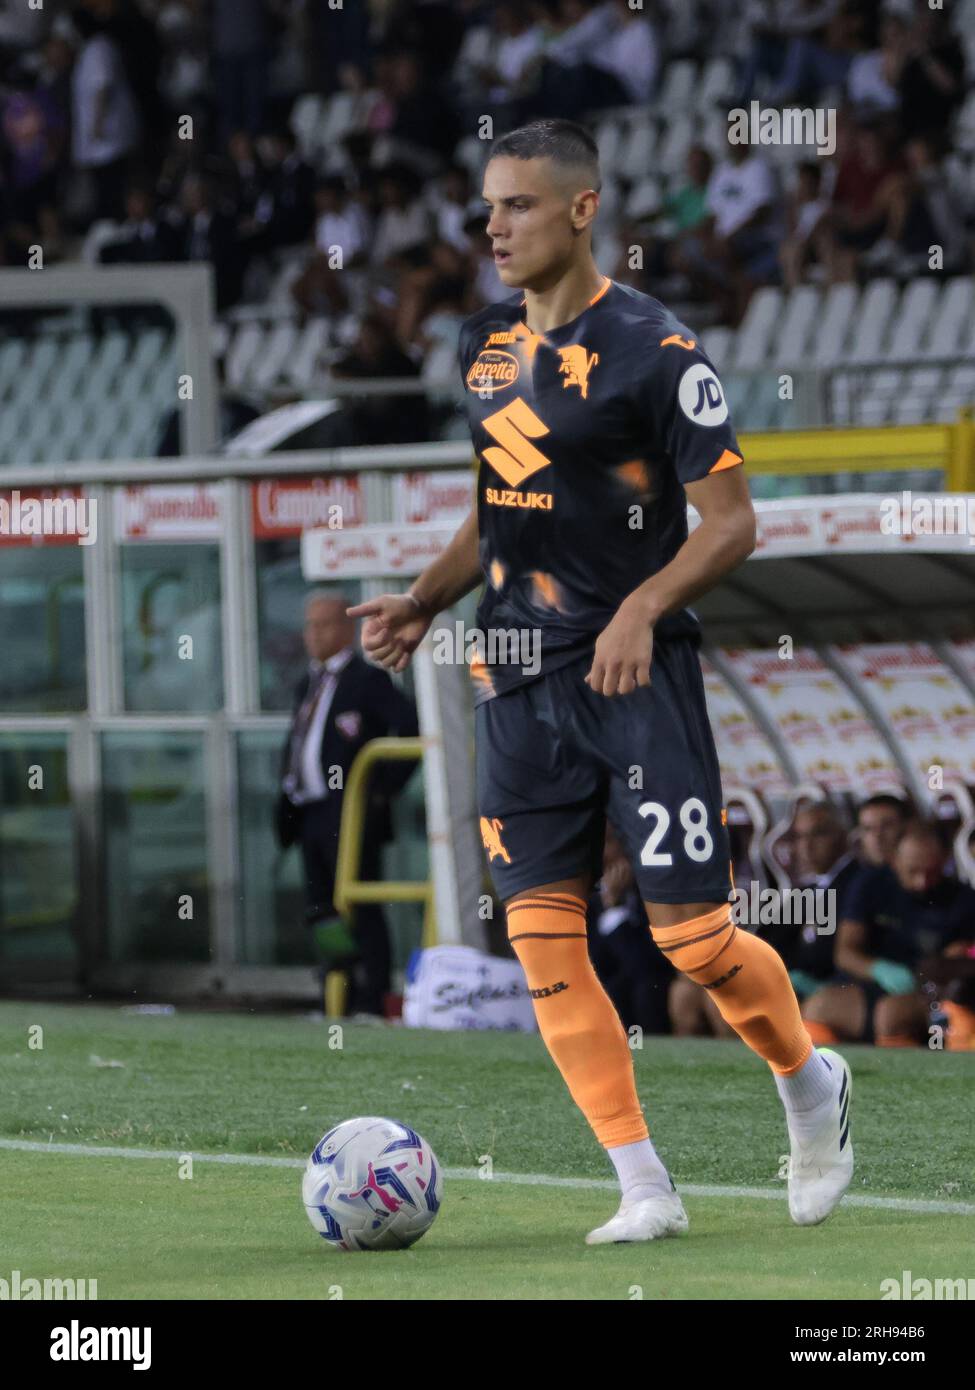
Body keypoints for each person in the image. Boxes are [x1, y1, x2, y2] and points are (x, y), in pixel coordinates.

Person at [348, 118, 853, 1243]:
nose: (493, 227)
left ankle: (812, 1084)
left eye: (518, 206)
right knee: (542, 940)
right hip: (517, 679)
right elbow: (501, 506)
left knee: (692, 941)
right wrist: (427, 597)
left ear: (582, 211)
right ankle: (644, 1185)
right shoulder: (482, 347)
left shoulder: (659, 352)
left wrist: (640, 604)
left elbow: (733, 527)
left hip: (634, 673)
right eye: (487, 206)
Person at [276, 592, 419, 1019]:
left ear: (344, 630)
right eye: (308, 625)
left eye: (321, 625)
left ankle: (371, 997)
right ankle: (336, 990)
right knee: (322, 908)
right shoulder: (309, 682)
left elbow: (409, 724)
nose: (311, 635)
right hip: (312, 812)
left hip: (352, 816)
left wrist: (380, 789)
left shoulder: (366, 680)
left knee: (360, 903)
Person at [802, 821, 975, 1047]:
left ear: (944, 860)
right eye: (913, 871)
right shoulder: (869, 885)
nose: (922, 882)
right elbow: (846, 953)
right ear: (895, 860)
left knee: (891, 1014)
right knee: (818, 1007)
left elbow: (957, 960)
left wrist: (941, 967)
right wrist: (879, 970)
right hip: (869, 982)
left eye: (931, 872)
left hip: (927, 991)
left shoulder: (962, 899)